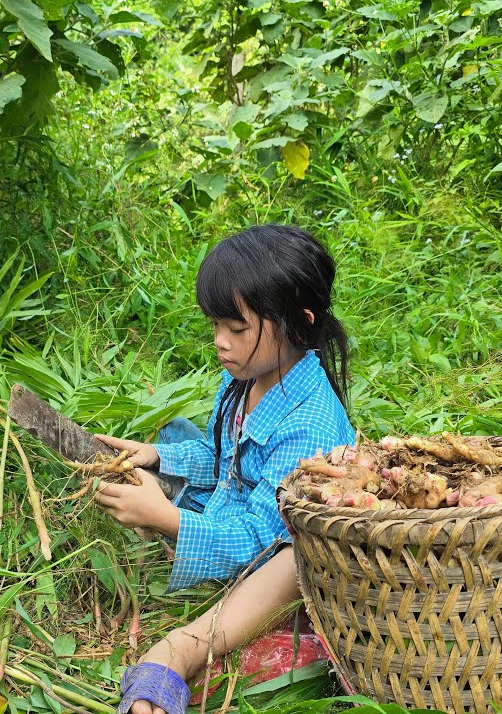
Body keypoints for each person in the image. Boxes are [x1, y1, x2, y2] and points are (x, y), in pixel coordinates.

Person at [92, 224, 355, 714]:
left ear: (299, 324)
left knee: (288, 560)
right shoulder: (244, 378)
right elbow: (220, 457)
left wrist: (167, 519)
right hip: (232, 506)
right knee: (173, 438)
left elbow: (266, 542)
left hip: (267, 545)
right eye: (215, 326)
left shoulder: (311, 430)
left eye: (237, 330)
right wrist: (156, 457)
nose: (220, 343)